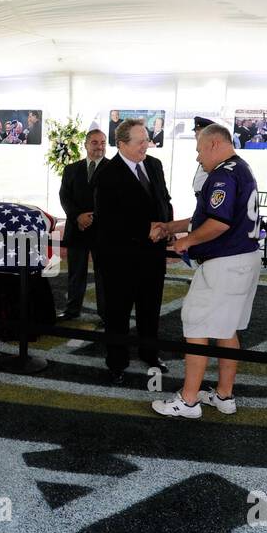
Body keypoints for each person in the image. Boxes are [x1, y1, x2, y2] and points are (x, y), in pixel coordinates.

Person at [151, 124, 263, 418]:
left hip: (224, 264)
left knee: (197, 326)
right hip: (246, 258)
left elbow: (218, 224)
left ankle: (188, 401)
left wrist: (186, 240)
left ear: (214, 144)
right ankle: (224, 395)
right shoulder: (242, 168)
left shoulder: (223, 174)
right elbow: (210, 216)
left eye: (200, 150)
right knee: (228, 330)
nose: (198, 157)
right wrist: (172, 227)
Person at [91, 119, 173, 384]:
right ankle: (117, 362)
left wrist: (168, 227)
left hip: (153, 256)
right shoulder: (107, 173)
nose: (146, 145)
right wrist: (144, 229)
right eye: (140, 141)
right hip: (120, 258)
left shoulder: (154, 165)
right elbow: (108, 219)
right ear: (122, 144)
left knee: (151, 308)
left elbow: (164, 200)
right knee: (118, 312)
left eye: (147, 139)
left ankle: (150, 353)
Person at [58, 129, 107, 321]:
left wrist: (92, 218)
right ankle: (72, 310)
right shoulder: (71, 169)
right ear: (86, 145)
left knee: (103, 276)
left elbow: (114, 201)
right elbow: (64, 197)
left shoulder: (114, 169)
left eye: (102, 142)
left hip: (102, 232)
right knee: (75, 273)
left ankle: (106, 315)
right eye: (95, 142)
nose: (99, 146)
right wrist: (77, 217)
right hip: (76, 229)